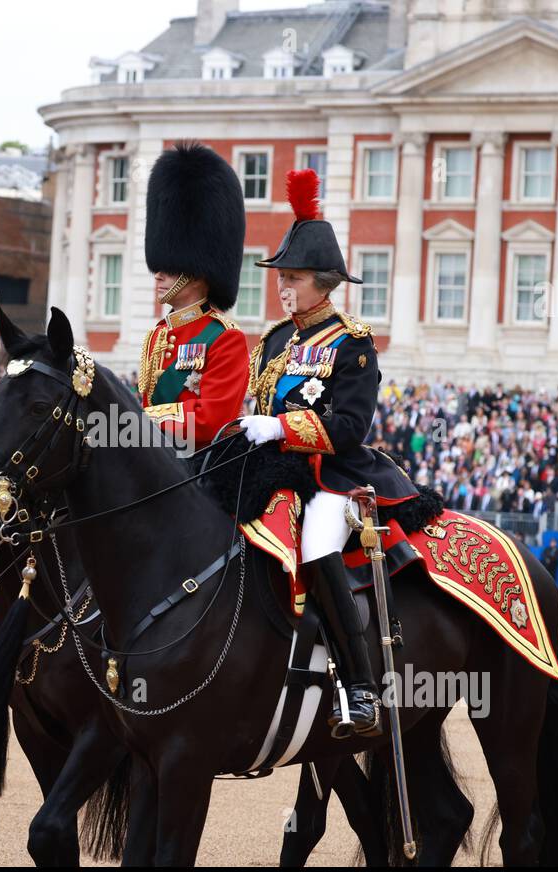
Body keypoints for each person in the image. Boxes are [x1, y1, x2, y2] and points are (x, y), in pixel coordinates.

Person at [240, 166, 419, 739]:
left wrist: (281, 430)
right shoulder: (272, 339)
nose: (282, 285)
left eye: (292, 276)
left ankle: (359, 687)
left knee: (315, 545)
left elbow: (348, 426)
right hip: (266, 471)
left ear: (323, 282)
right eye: (279, 275)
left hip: (328, 475)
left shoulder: (352, 342)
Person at [137, 141, 249, 451]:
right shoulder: (158, 335)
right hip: (157, 458)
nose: (158, 274)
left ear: (197, 271)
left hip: (204, 464)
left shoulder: (225, 338)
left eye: (169, 268)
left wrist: (139, 421)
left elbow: (213, 420)